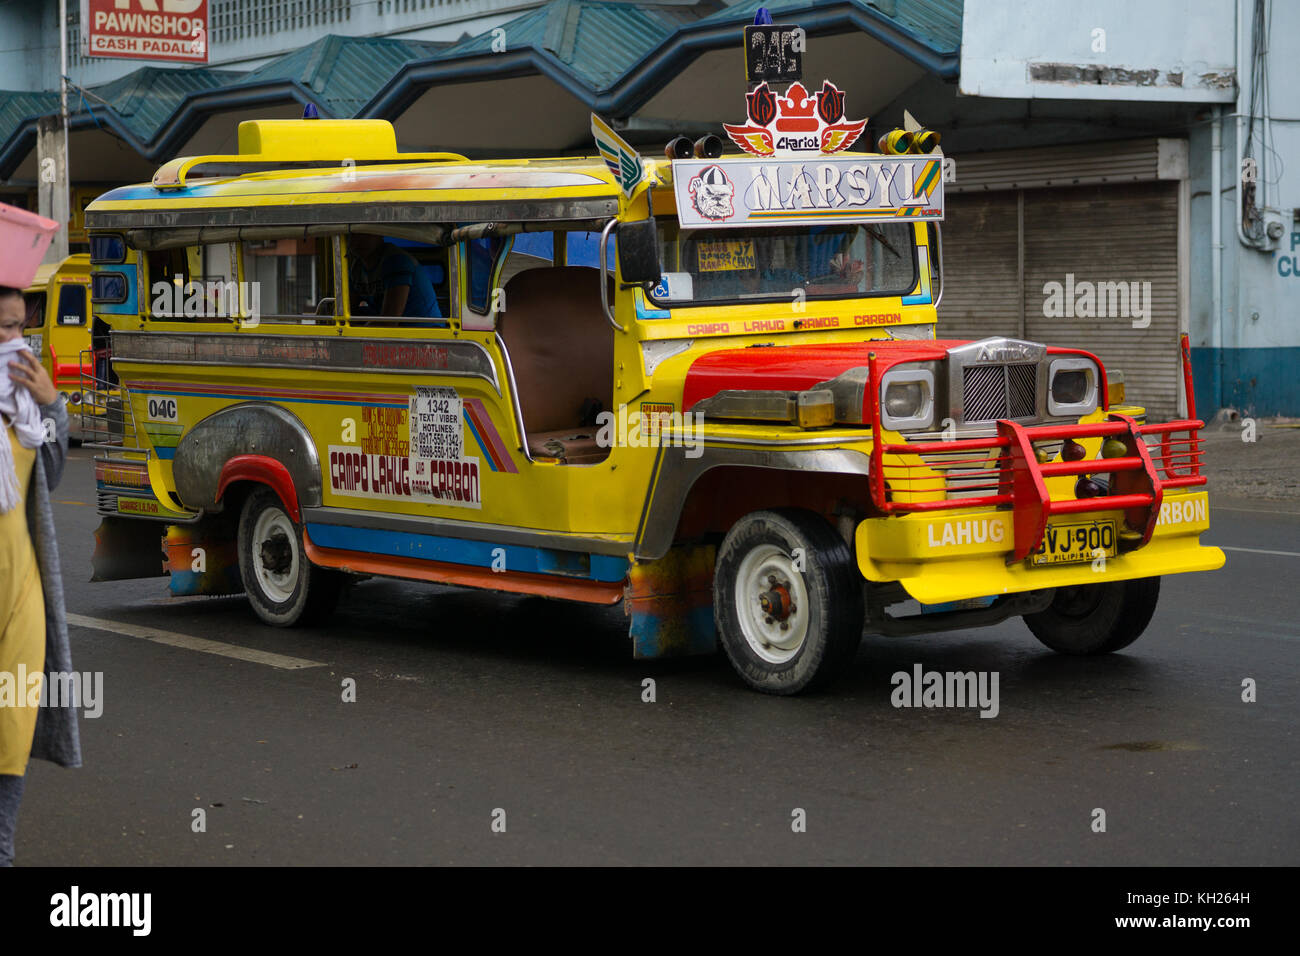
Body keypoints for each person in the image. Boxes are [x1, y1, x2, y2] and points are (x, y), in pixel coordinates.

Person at [0, 285, 80, 867]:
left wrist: (51, 405)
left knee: (10, 737)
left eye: (14, 328)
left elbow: (48, 477)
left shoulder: (25, 409)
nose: (11, 343)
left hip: (20, 598)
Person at [347, 234, 440, 320]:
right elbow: (348, 310)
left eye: (365, 234)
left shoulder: (396, 261)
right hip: (397, 331)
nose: (357, 240)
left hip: (424, 331)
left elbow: (389, 320)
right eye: (352, 235)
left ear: (379, 234)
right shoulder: (356, 267)